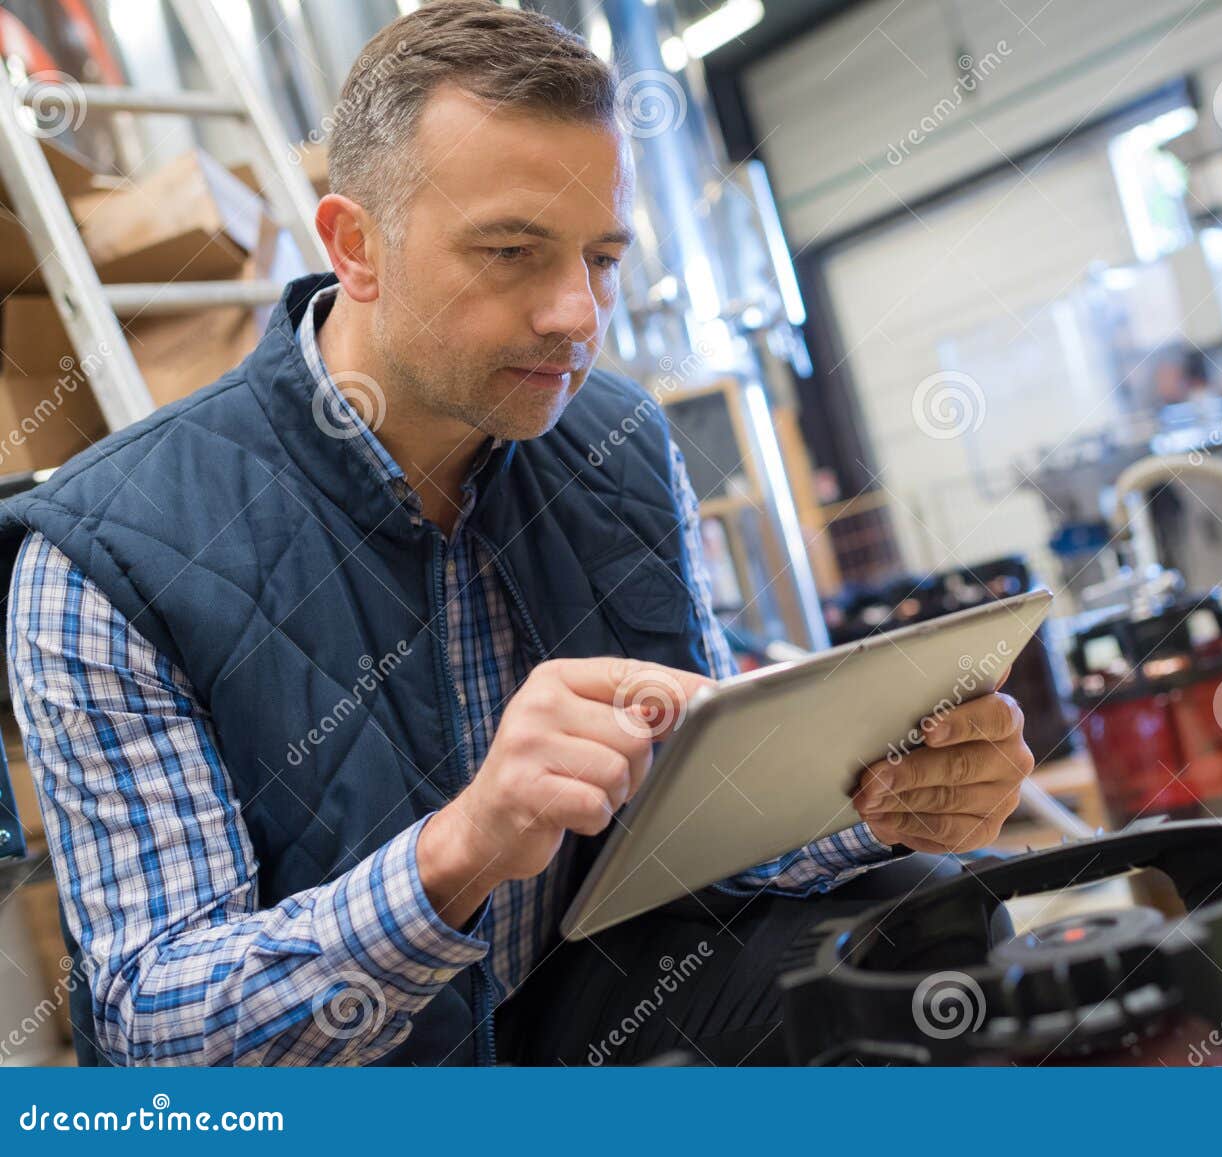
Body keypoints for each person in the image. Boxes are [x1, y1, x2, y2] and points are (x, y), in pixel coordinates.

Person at [1, 0, 1033, 1067]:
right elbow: (161, 1033)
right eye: (511, 250)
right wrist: (461, 850)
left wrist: (885, 800)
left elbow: (691, 841)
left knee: (917, 920)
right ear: (355, 245)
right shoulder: (105, 557)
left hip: (582, 1021)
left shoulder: (616, 445)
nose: (578, 314)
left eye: (602, 256)